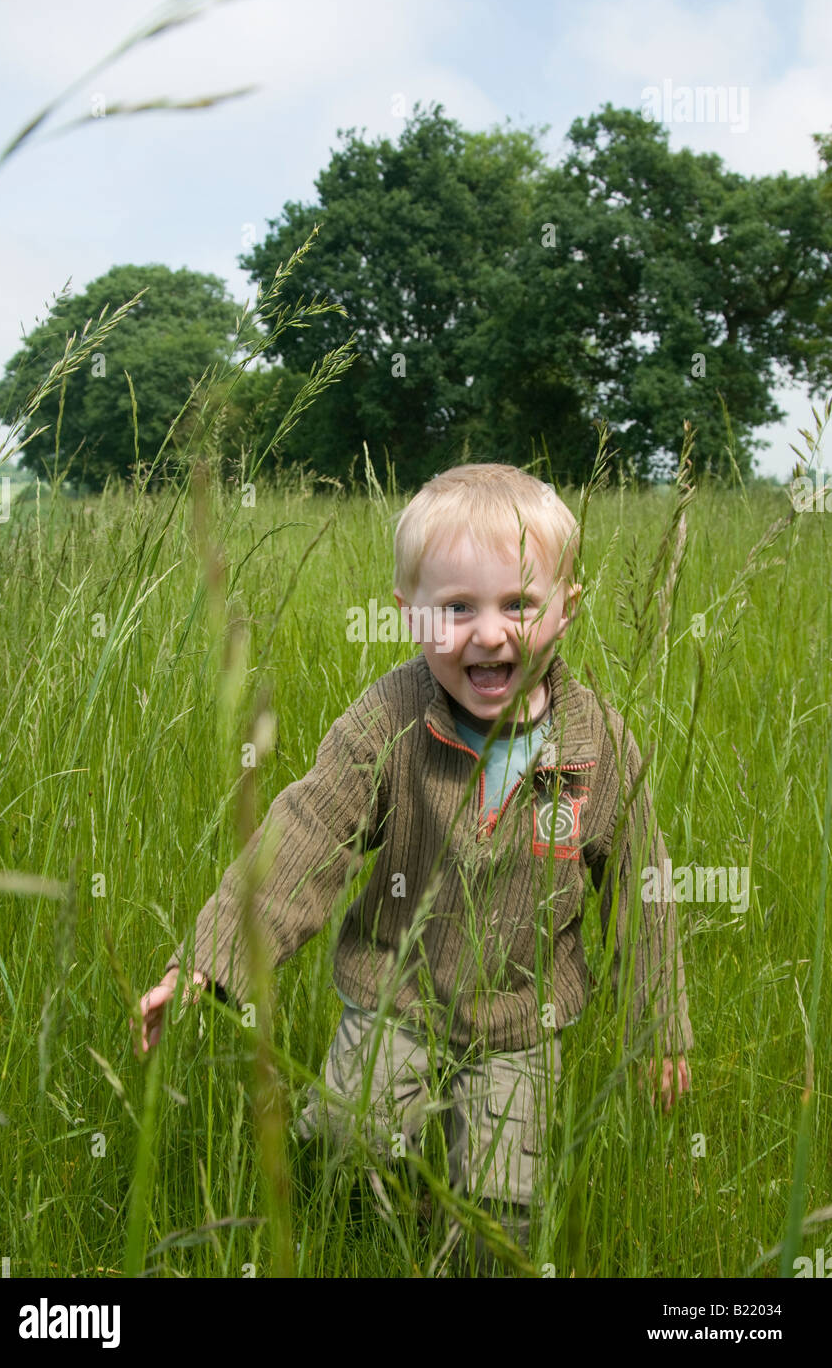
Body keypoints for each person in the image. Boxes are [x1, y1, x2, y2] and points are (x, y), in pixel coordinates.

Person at [133, 463, 693, 1271]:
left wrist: (656, 1032)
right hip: (394, 993)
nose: (489, 634)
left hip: (517, 1020)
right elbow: (306, 835)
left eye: (519, 604)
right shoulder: (388, 720)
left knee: (502, 1206)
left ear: (567, 609)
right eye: (456, 607)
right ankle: (358, 1224)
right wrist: (210, 963)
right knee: (343, 1141)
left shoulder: (597, 746)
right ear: (408, 614)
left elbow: (645, 892)